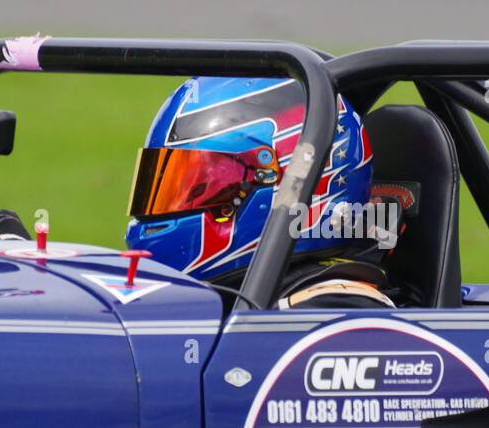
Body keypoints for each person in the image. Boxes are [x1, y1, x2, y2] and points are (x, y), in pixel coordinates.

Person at [126, 77, 411, 308]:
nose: (172, 201)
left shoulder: (335, 314)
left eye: (202, 185)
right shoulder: (230, 295)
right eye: (170, 185)